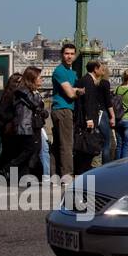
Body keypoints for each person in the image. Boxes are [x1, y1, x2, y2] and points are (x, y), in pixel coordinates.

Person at [0, 68, 47, 182]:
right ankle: (7, 168)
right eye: (39, 77)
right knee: (29, 150)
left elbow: (40, 109)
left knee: (31, 151)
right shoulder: (23, 91)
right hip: (25, 126)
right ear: (32, 78)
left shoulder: (30, 92)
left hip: (31, 126)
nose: (42, 79)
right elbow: (37, 105)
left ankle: (21, 177)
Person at [50, 43, 83, 178]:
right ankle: (67, 175)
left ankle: (53, 174)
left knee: (58, 143)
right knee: (67, 144)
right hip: (63, 109)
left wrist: (75, 90)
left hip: (65, 109)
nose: (69, 56)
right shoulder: (60, 71)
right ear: (61, 55)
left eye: (71, 54)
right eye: (66, 53)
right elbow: (70, 94)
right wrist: (78, 91)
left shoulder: (72, 72)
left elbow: (73, 89)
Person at [74, 60, 106, 173]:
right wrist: (89, 119)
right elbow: (87, 101)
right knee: (87, 144)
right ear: (95, 69)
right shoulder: (88, 81)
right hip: (87, 119)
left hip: (86, 118)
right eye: (101, 68)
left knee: (86, 144)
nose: (103, 70)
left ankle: (84, 168)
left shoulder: (86, 79)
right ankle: (84, 169)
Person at [96, 61, 117, 163]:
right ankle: (106, 166)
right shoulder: (105, 83)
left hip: (94, 113)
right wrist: (112, 116)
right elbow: (108, 102)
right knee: (106, 143)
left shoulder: (94, 82)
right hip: (103, 114)